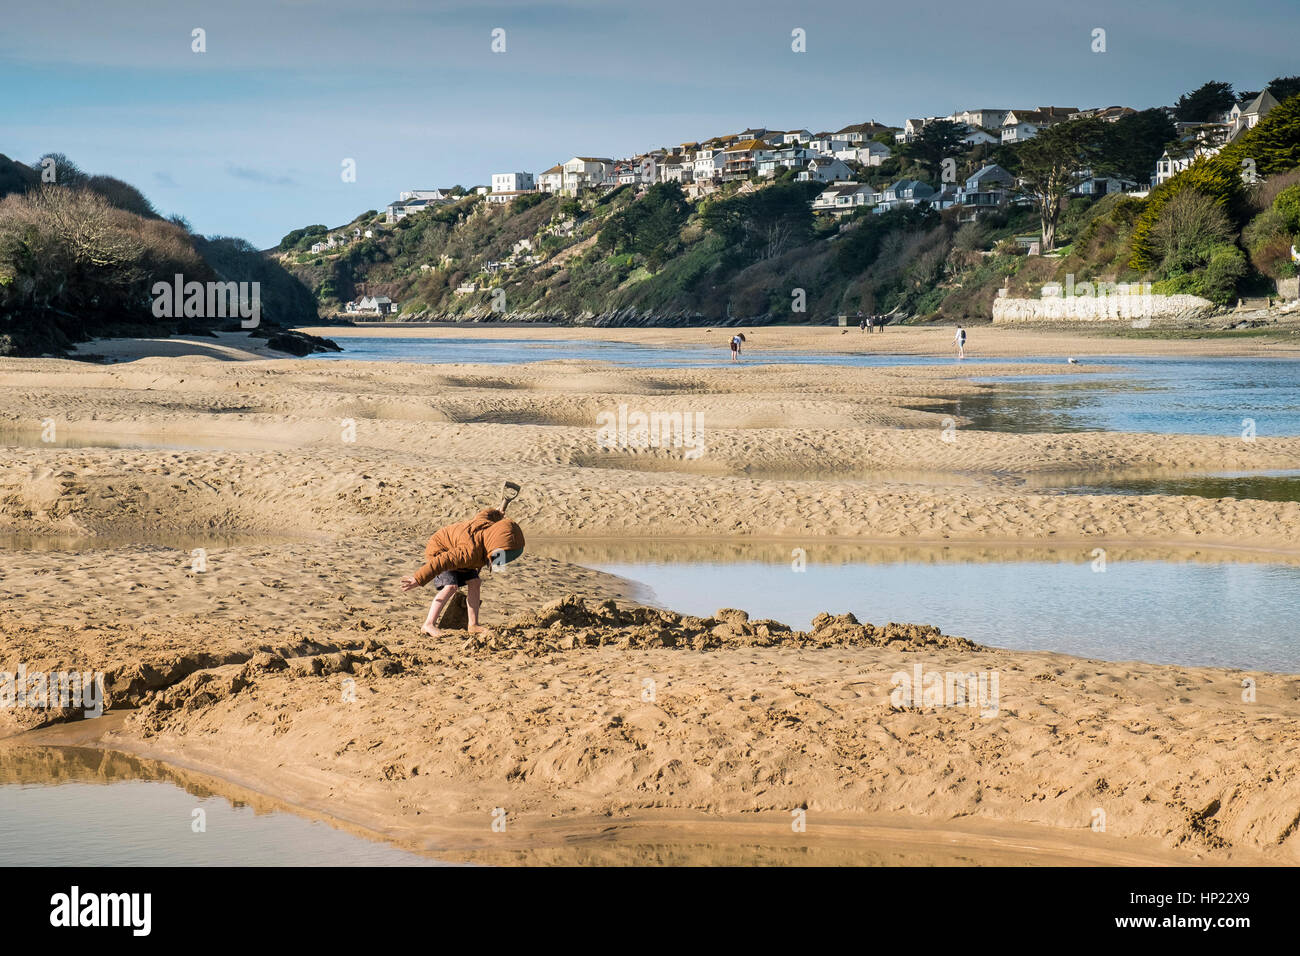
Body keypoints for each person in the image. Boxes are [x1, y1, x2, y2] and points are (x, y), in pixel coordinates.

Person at [400, 492, 525, 637]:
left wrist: (498, 512)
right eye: (500, 556)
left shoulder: (487, 526)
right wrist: (418, 579)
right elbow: (441, 562)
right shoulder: (468, 551)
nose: (499, 562)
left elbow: (486, 514)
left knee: (475, 582)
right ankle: (428, 624)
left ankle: (473, 625)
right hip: (441, 550)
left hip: (461, 557)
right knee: (451, 587)